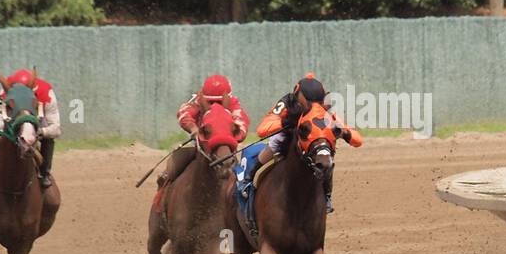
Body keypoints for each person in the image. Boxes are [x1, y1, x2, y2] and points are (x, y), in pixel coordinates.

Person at [242, 74, 359, 213]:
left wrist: (345, 133)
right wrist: (287, 122)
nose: (313, 106)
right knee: (274, 143)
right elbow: (262, 129)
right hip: (290, 132)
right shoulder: (287, 102)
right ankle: (250, 177)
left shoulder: (324, 110)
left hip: (311, 138)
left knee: (326, 154)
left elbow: (358, 140)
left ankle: (327, 195)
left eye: (317, 102)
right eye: (309, 101)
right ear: (298, 97)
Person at [153, 75, 250, 210]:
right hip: (200, 151)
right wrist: (193, 128)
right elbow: (183, 112)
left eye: (220, 102)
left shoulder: (233, 105)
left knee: (244, 180)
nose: (215, 106)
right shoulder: (198, 101)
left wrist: (230, 132)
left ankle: (245, 214)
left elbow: (242, 124)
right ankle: (160, 204)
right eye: (210, 102)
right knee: (170, 170)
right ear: (204, 98)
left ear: (228, 99)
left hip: (226, 153)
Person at [0, 68, 61, 187]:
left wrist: (38, 131)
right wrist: (13, 128)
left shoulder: (46, 93)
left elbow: (55, 128)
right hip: (12, 127)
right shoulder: (5, 91)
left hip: (36, 126)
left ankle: (44, 173)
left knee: (48, 139)